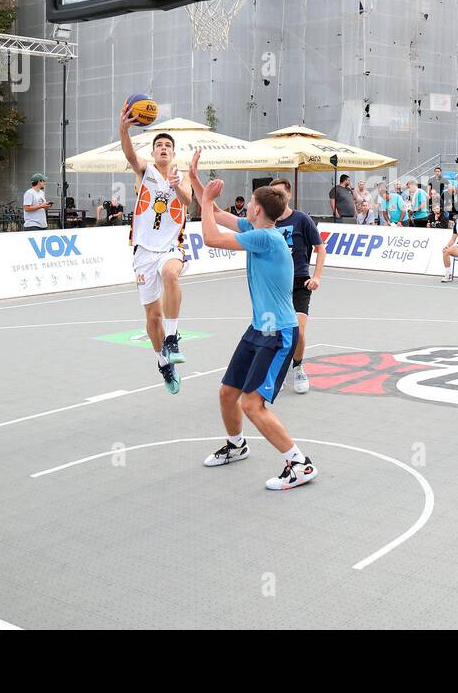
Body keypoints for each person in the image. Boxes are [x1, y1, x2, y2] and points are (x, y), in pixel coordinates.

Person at [191, 170, 318, 491]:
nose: (246, 205)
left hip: (279, 333)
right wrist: (197, 183)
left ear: (258, 209)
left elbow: (210, 237)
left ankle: (300, 463)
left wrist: (205, 201)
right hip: (258, 328)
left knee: (251, 404)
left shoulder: (267, 238)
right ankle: (236, 445)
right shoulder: (256, 229)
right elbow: (216, 215)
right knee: (227, 393)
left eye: (249, 202)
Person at [119, 107, 191, 395]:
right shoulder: (145, 171)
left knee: (172, 274)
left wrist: (177, 188)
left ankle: (172, 339)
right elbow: (129, 156)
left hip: (171, 247)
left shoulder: (179, 176)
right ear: (154, 151)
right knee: (152, 317)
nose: (163, 148)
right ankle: (163, 362)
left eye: (168, 146)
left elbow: (188, 200)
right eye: (159, 145)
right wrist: (123, 130)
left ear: (173, 154)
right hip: (143, 251)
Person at [261, 178, 323, 393]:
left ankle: (297, 367)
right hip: (274, 284)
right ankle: (271, 367)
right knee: (270, 331)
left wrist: (316, 276)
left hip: (299, 283)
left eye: (279, 194)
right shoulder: (267, 221)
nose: (276, 198)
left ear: (288, 195)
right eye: (272, 194)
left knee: (297, 331)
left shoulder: (302, 220)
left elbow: (320, 248)